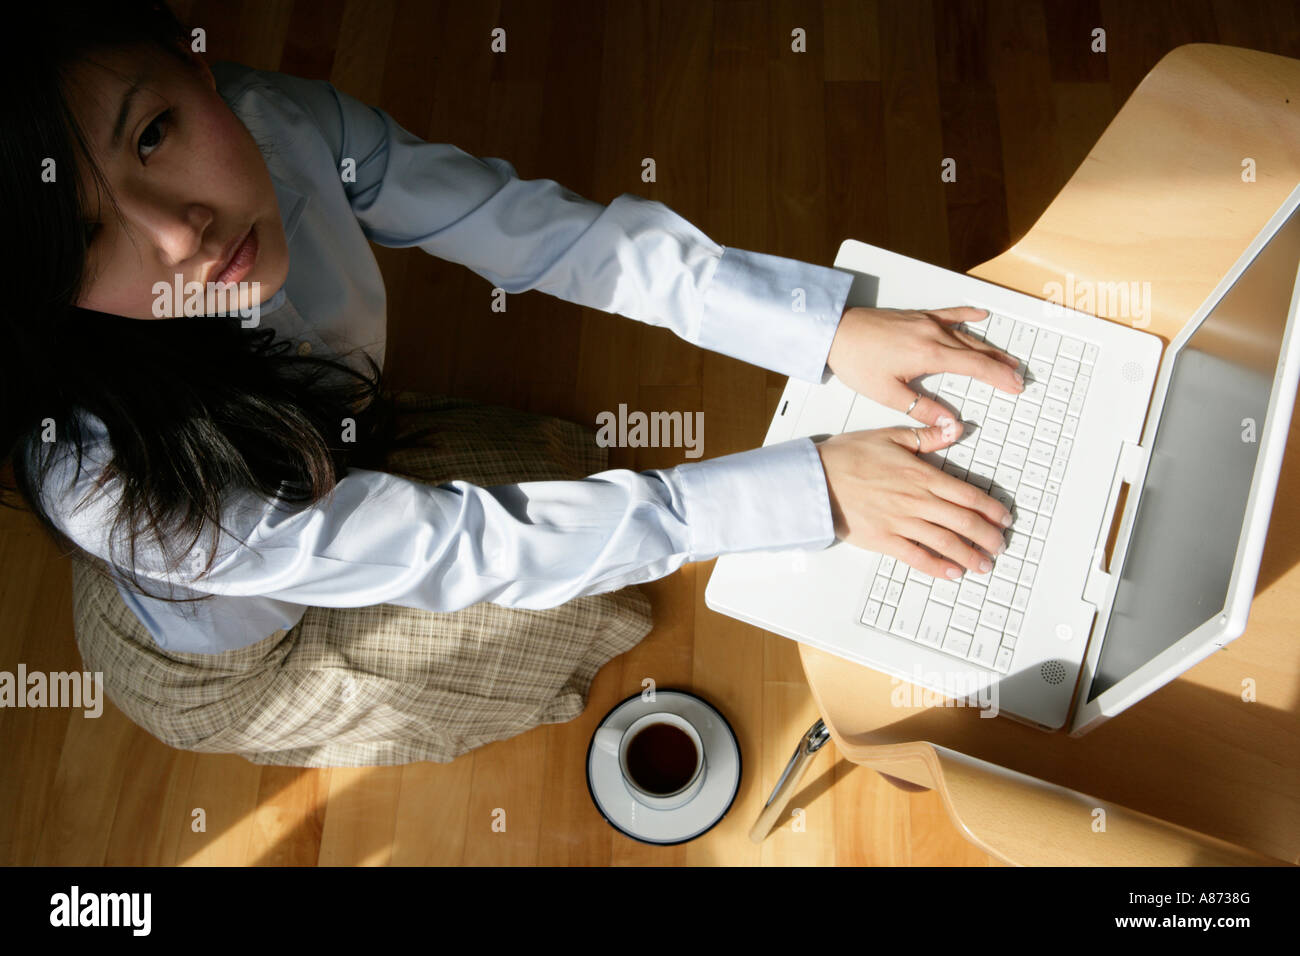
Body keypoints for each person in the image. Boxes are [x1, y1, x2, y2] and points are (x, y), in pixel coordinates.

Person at [0, 0, 1020, 767]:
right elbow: (462, 547)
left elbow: (541, 231)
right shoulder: (108, 482)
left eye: (152, 136)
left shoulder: (278, 117)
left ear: (193, 58)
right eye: (90, 235)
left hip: (321, 461)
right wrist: (811, 490)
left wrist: (824, 324)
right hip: (229, 657)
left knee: (577, 471)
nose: (181, 232)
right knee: (599, 612)